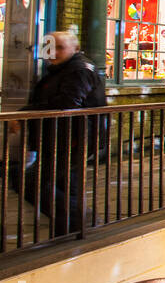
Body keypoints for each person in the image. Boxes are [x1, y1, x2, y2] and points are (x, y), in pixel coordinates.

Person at [11, 31, 105, 236]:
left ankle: (79, 219)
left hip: (70, 138)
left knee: (30, 181)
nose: (53, 52)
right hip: (60, 138)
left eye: (60, 47)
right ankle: (71, 229)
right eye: (49, 47)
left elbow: (68, 102)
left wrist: (24, 113)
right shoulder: (58, 71)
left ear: (75, 48)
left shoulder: (79, 70)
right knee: (65, 185)